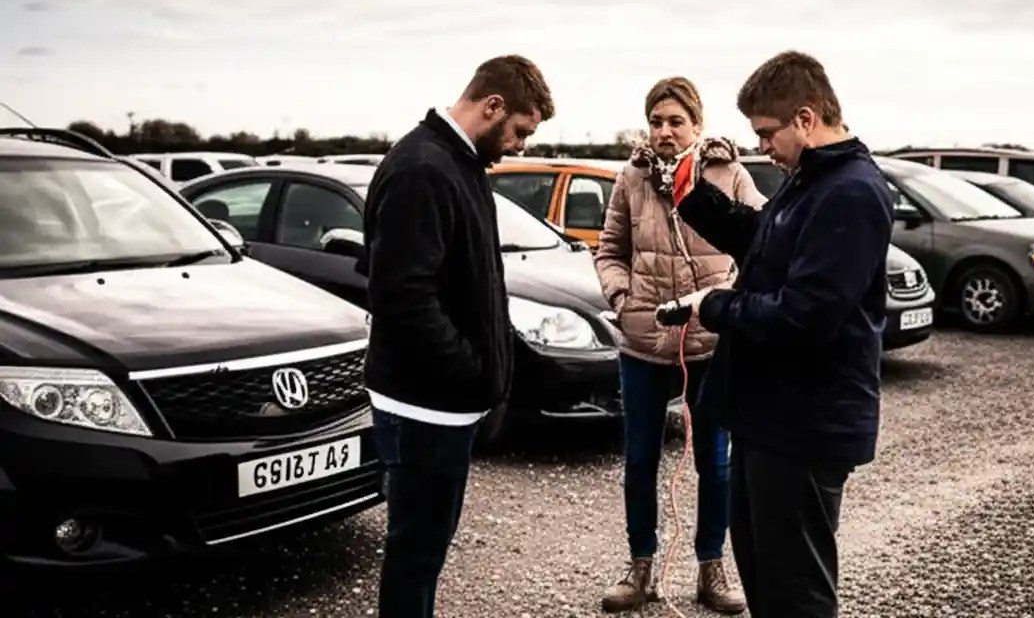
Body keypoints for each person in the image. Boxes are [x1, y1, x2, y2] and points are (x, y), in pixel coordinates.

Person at [665, 51, 894, 617]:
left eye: (767, 133)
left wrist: (714, 305)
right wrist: (693, 198)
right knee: (765, 580)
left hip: (806, 425)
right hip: (767, 418)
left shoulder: (852, 192)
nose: (761, 146)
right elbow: (763, 237)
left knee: (796, 593)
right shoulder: (808, 180)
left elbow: (806, 315)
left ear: (807, 118)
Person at [357, 55, 554, 618]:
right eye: (520, 131)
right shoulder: (423, 168)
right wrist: (470, 370)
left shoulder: (457, 164)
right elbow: (403, 296)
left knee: (426, 550)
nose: (520, 146)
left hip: (443, 404)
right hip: (424, 406)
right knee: (415, 553)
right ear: (492, 107)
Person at [593, 76, 763, 614]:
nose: (665, 132)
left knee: (715, 463)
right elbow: (609, 248)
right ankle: (640, 567)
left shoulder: (729, 173)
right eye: (657, 122)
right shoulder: (631, 176)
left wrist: (728, 302)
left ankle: (711, 567)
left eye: (676, 121)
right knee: (640, 460)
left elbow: (762, 243)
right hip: (643, 345)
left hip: (710, 345)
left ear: (697, 125)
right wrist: (624, 300)